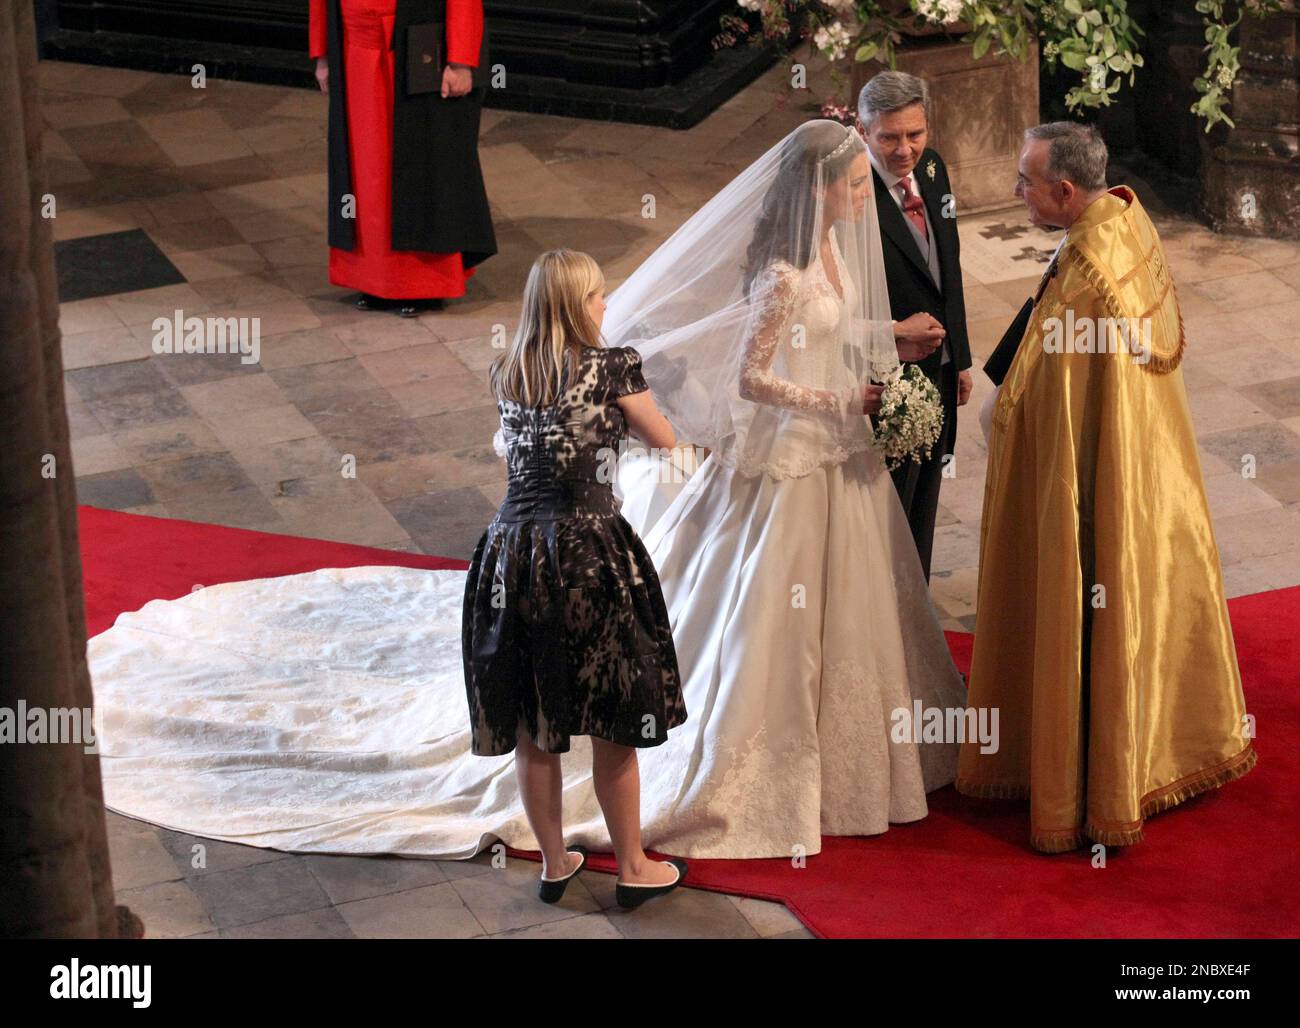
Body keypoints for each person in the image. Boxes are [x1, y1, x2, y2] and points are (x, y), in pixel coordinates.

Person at [86, 122, 967, 868]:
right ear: (819, 190)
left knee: (846, 608)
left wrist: (888, 336)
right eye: (856, 183)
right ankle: (683, 816)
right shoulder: (773, 276)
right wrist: (850, 399)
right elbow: (752, 375)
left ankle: (830, 768)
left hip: (798, 464)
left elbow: (826, 327)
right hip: (773, 459)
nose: (868, 195)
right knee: (733, 630)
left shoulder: (824, 259)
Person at [954, 122, 1257, 852]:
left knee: (1085, 595)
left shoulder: (1089, 278)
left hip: (1092, 482)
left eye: (1025, 182)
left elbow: (1054, 401)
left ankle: (1082, 781)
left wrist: (1005, 421)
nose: (1016, 192)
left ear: (1065, 190)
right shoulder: (1125, 220)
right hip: (1151, 471)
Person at [461, 250, 688, 906]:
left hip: (510, 552)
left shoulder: (508, 371)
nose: (605, 306)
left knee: (535, 720)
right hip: (588, 553)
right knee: (616, 718)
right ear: (573, 305)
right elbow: (665, 441)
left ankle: (556, 862)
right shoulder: (610, 366)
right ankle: (633, 869)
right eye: (596, 297)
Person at [310, 0, 496, 317]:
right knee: (365, 174)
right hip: (355, 49)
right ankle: (372, 279)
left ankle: (421, 284)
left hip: (413, 48)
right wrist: (324, 53)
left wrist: (461, 60)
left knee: (420, 168)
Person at [857, 71, 972, 580]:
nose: (906, 150)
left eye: (915, 134)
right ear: (862, 132)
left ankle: (915, 613)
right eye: (890, 137)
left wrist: (959, 358)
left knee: (924, 507)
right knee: (887, 512)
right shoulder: (849, 193)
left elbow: (949, 264)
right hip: (885, 377)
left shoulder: (933, 169)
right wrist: (888, 339)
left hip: (939, 370)